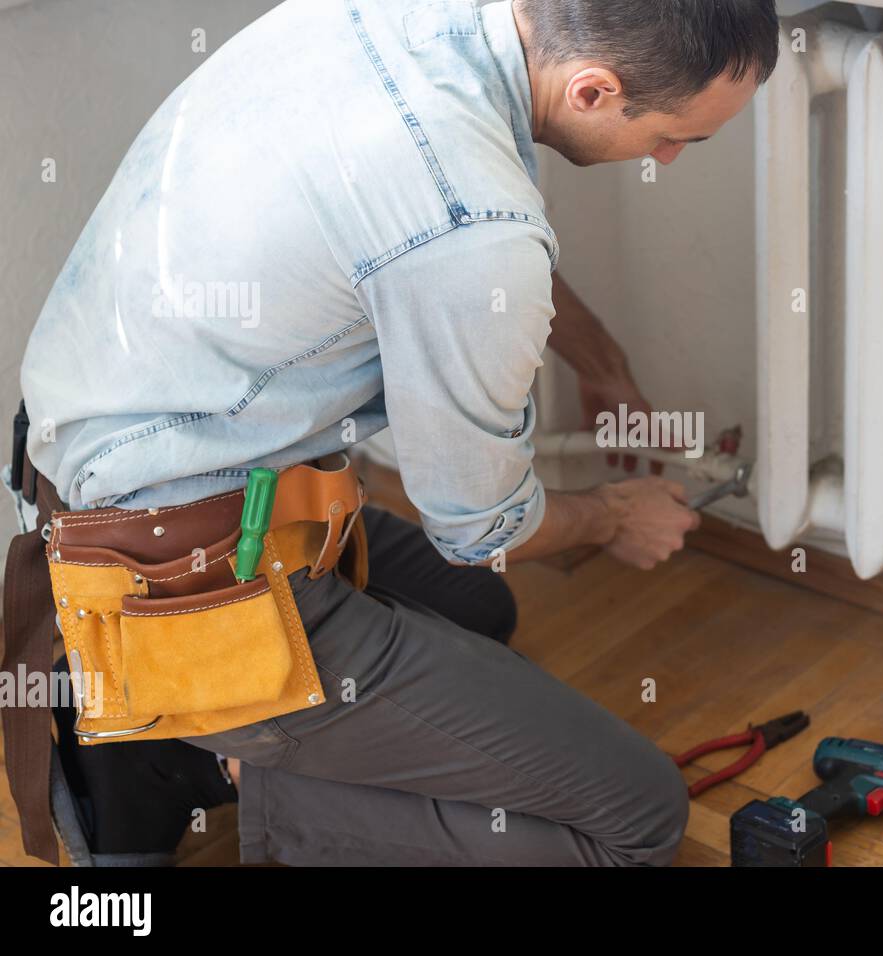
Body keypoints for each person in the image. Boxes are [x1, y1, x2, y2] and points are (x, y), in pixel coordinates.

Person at [14, 0, 779, 865]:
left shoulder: (403, 22)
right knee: (639, 821)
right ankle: (190, 767)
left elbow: (430, 229)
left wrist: (601, 365)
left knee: (478, 609)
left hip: (92, 477)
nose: (670, 159)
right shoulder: (475, 229)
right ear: (596, 90)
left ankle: (166, 713)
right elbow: (481, 528)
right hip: (179, 572)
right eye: (678, 137)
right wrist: (614, 516)